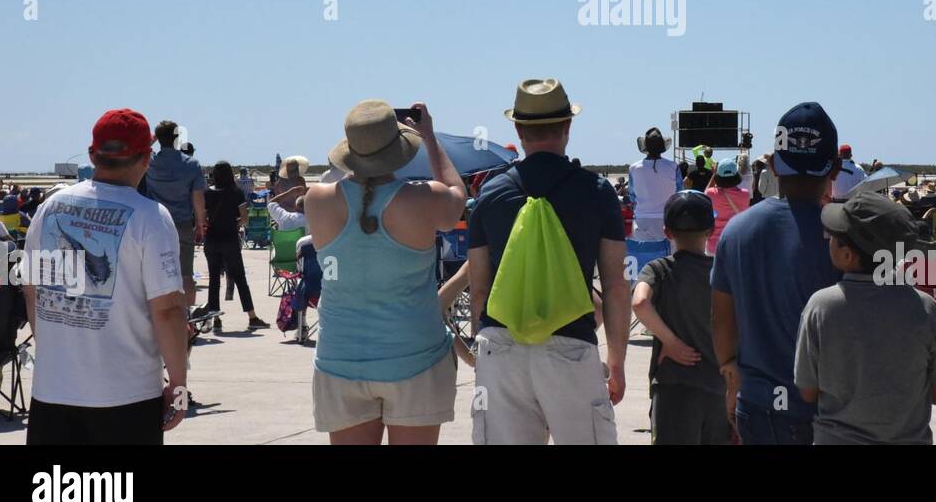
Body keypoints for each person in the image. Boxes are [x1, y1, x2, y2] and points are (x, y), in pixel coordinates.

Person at [468, 78, 628, 444]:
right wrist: (616, 361)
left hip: (501, 343)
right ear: (568, 126)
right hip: (570, 343)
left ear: (518, 129)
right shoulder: (597, 192)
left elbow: (479, 291)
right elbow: (616, 285)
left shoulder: (490, 194)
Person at [22, 109, 188, 444]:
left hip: (52, 393)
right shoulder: (151, 218)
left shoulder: (49, 209)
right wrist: (180, 387)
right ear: (146, 158)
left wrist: (58, 354)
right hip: (127, 396)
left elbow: (32, 290)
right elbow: (168, 310)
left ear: (91, 154)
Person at [304, 100, 464, 444]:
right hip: (414, 360)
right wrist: (430, 137)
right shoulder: (422, 198)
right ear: (400, 150)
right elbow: (457, 198)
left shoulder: (316, 199)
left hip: (339, 361)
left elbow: (358, 196)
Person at [711, 102, 843, 445]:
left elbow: (722, 322)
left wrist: (730, 371)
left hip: (758, 405)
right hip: (828, 411)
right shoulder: (848, 241)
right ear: (835, 169)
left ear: (772, 165)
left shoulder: (737, 231)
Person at [796, 193, 936, 444]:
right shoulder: (927, 309)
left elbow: (807, 391)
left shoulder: (820, 307)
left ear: (848, 255)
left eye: (834, 237)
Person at [632, 190, 729, 445]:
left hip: (674, 386)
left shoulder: (659, 268)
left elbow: (640, 302)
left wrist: (670, 342)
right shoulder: (723, 272)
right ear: (710, 230)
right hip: (719, 388)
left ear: (667, 232)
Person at [145, 120, 207, 310]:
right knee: (186, 274)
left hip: (155, 224)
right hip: (182, 223)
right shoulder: (192, 164)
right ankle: (187, 320)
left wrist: (152, 140)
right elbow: (198, 199)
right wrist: (201, 224)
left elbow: (139, 151)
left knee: (154, 273)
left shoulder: (151, 161)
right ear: (177, 137)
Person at [202, 161, 268, 332]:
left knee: (214, 280)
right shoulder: (236, 192)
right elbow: (244, 218)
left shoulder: (207, 193)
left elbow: (203, 218)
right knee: (239, 278)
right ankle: (252, 317)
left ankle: (215, 318)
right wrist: (234, 223)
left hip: (212, 239)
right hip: (229, 238)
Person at [627, 126, 682, 243]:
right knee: (669, 258)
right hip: (668, 218)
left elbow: (632, 196)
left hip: (642, 219)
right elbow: (679, 193)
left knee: (645, 257)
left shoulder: (634, 168)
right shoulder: (673, 167)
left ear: (645, 146)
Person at [705, 158, 749, 255]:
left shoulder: (711, 193)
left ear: (718, 175)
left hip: (713, 247)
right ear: (736, 174)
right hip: (735, 246)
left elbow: (705, 193)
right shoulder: (745, 195)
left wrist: (714, 174)